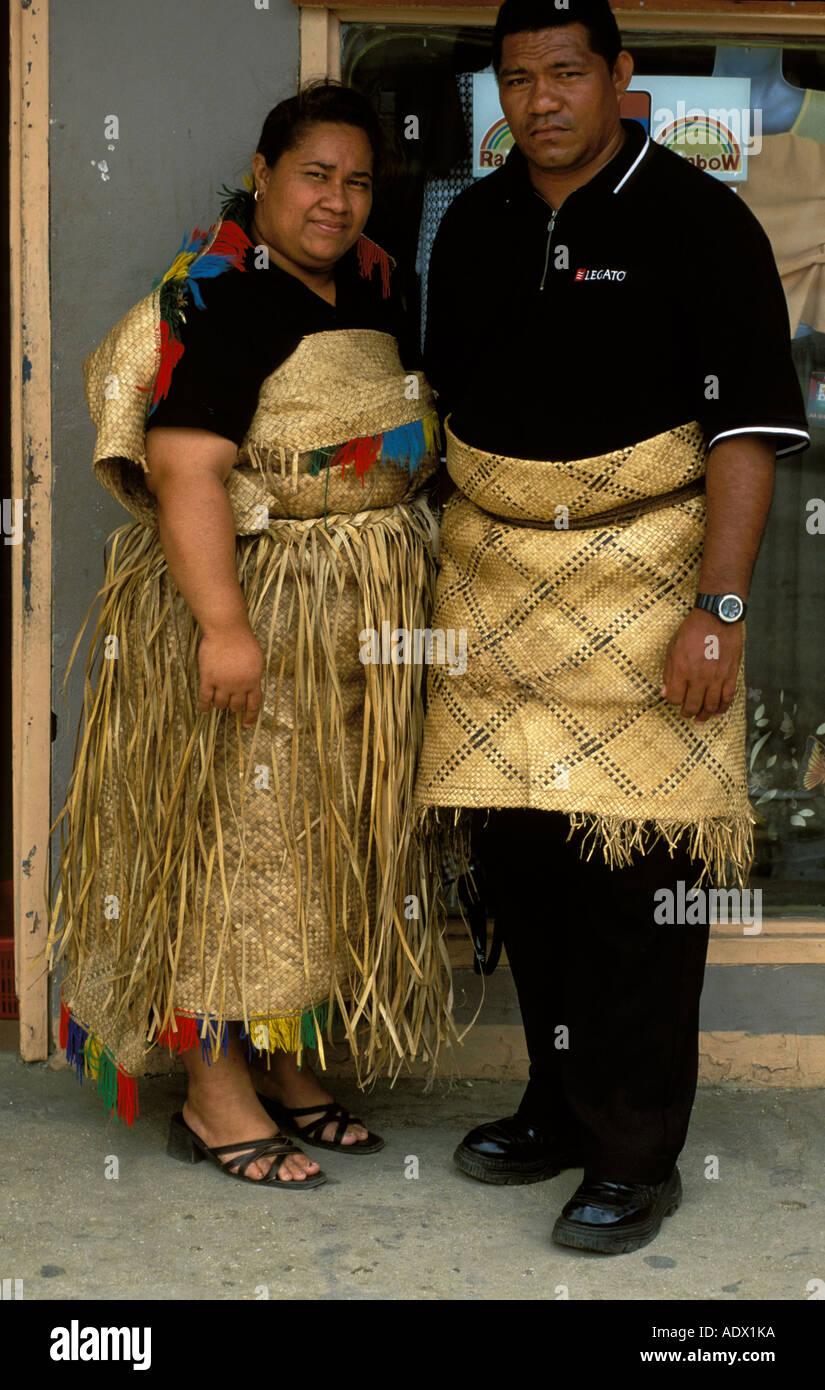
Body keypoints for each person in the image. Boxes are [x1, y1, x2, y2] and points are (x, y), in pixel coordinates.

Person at [414, 0, 810, 1252]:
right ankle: (556, 1101)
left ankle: (634, 1147)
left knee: (641, 877)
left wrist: (721, 606)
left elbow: (745, 426)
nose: (542, 101)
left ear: (621, 78)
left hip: (651, 580)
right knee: (524, 863)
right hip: (492, 583)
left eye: (567, 73)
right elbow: (444, 409)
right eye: (519, 79)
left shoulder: (700, 220)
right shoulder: (474, 225)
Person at [47, 82, 452, 1188]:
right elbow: (186, 466)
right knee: (237, 850)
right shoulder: (224, 295)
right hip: (260, 610)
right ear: (264, 174)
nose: (337, 199)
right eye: (315, 175)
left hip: (354, 626)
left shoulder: (371, 284)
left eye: (358, 180)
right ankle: (212, 1089)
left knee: (316, 853)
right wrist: (225, 628)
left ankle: (286, 1060)